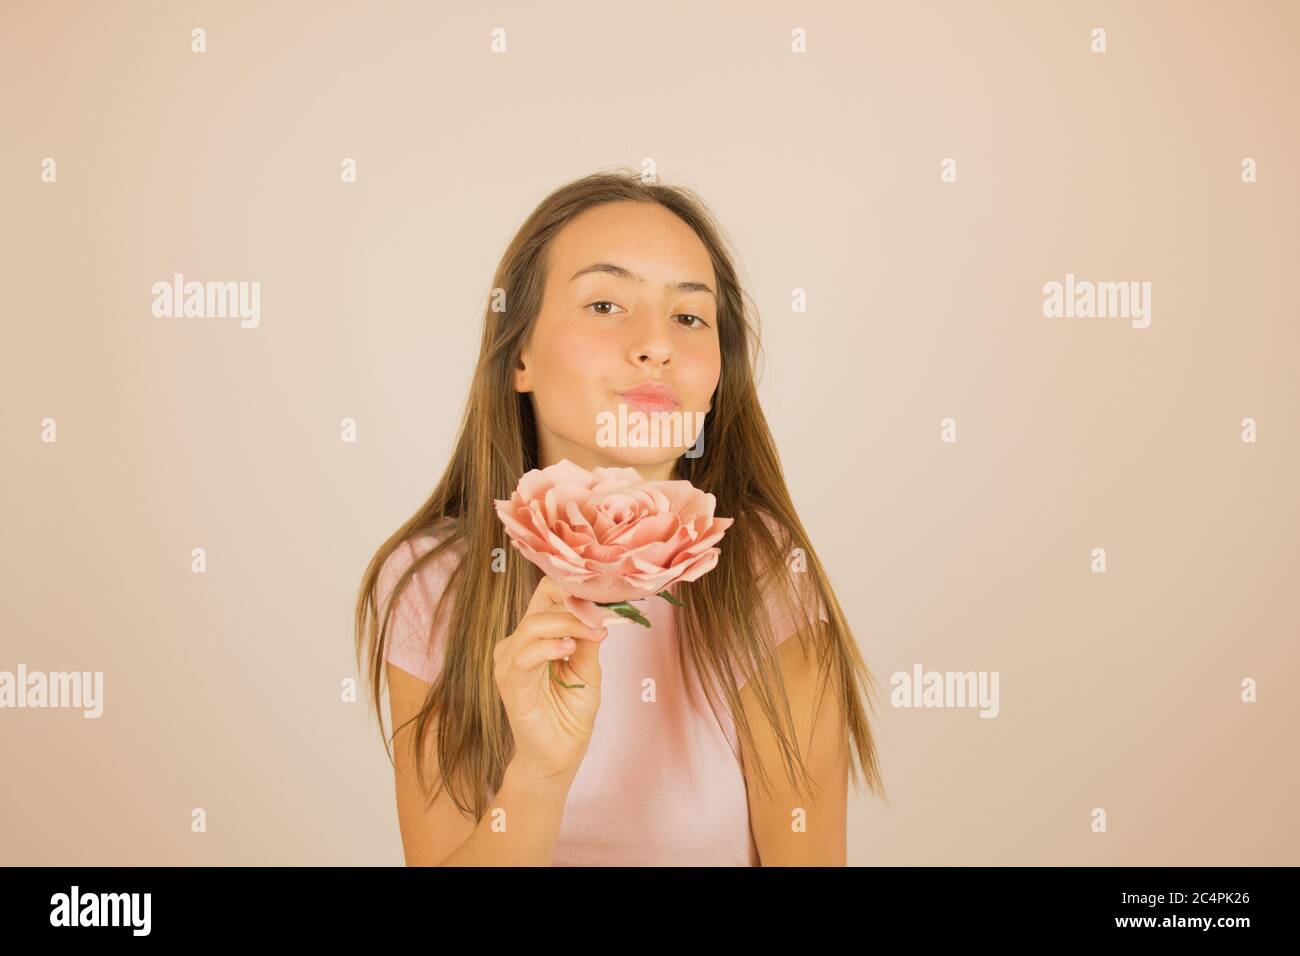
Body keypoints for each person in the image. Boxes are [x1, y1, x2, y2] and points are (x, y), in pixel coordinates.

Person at [354, 170, 886, 866]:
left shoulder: (764, 572)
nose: (656, 344)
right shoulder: (432, 584)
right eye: (606, 304)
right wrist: (539, 775)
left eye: (689, 317)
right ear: (519, 355)